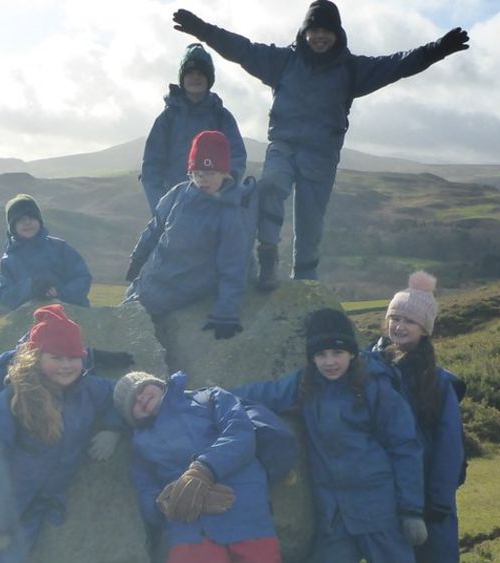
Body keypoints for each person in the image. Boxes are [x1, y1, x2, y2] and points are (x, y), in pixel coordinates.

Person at [172, 1, 470, 290]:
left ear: (337, 34)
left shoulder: (352, 69)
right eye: (315, 30)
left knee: (311, 219)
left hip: (322, 154)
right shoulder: (283, 61)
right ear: (304, 32)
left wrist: (438, 49)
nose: (320, 36)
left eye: (327, 30)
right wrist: (203, 30)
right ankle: (268, 254)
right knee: (272, 183)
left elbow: (398, 64)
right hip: (284, 143)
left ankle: (305, 279)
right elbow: (242, 49)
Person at [234, 308, 426, 563]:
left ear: (351, 353)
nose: (330, 362)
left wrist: (411, 510)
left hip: (378, 510)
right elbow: (265, 393)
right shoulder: (306, 383)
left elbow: (404, 445)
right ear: (312, 358)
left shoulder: (375, 385)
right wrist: (214, 396)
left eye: (337, 353)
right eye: (321, 355)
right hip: (334, 518)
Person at [0, 304, 124, 563]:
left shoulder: (86, 390)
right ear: (36, 357)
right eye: (56, 358)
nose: (66, 365)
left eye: (73, 357)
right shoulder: (15, 397)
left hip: (31, 509)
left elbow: (124, 394)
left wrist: (113, 428)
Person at [114, 371, 281, 563]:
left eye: (141, 388)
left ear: (158, 383)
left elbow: (241, 434)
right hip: (190, 533)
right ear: (132, 418)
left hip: (246, 517)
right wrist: (167, 504)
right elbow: (146, 493)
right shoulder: (140, 447)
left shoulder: (210, 398)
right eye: (133, 402)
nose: (140, 397)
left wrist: (202, 470)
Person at [371, 271, 465, 563]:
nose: (399, 326)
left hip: (429, 493)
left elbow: (449, 447)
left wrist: (438, 502)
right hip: (386, 488)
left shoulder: (438, 382)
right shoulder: (370, 369)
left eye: (409, 321)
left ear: (425, 329)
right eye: (394, 317)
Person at [125, 130, 249, 340]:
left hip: (182, 289)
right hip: (149, 280)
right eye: (197, 173)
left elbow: (233, 267)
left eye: (210, 173)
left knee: (129, 328)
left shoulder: (229, 214)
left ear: (225, 173)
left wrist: (226, 313)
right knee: (126, 313)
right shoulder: (177, 194)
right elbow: (155, 228)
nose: (202, 180)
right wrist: (137, 259)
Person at [141, 42, 247, 215]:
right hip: (174, 210)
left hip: (213, 209)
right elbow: (151, 167)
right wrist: (160, 210)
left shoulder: (222, 117)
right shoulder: (167, 119)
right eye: (189, 73)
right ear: (182, 78)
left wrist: (223, 192)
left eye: (200, 73)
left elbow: (236, 158)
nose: (195, 78)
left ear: (209, 78)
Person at [0, 193, 92, 311]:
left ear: (39, 220)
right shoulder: (8, 261)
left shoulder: (60, 248)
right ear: (12, 227)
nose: (27, 223)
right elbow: (4, 295)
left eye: (31, 217)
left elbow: (83, 277)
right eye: (20, 220)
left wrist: (61, 293)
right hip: (29, 321)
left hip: (71, 315)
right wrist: (31, 286)